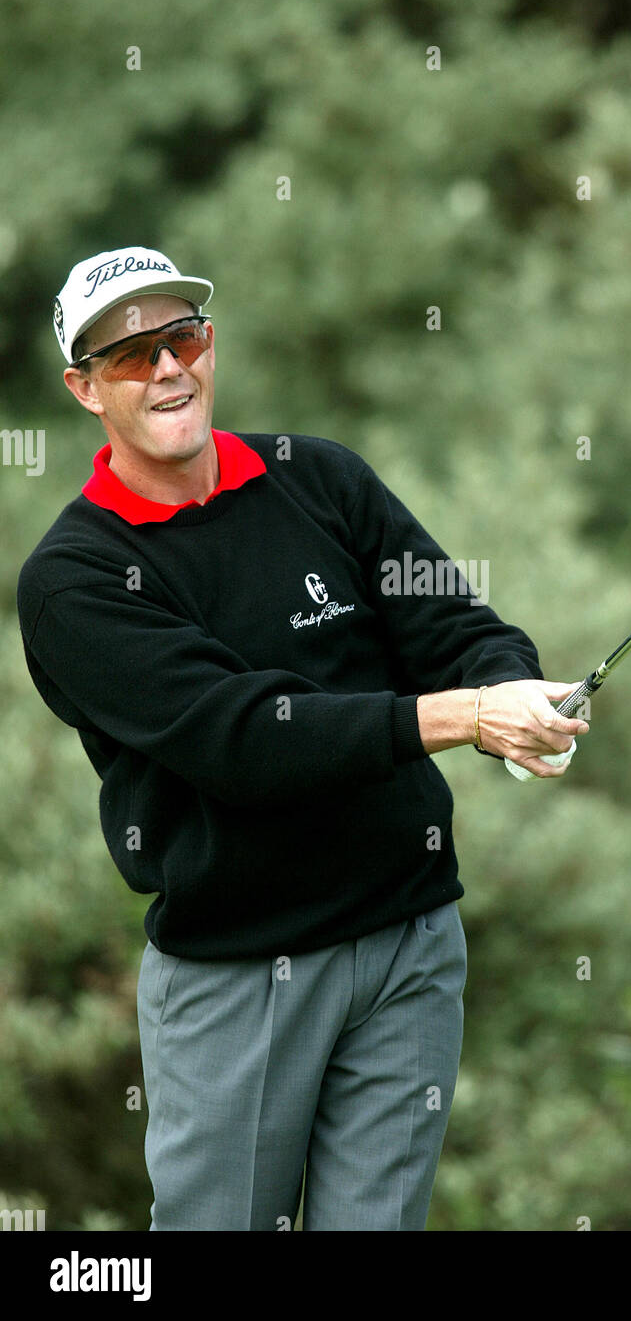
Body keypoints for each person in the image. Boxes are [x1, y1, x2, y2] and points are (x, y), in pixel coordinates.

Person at [17, 246, 587, 1232]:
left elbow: (453, 627)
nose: (166, 368)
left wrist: (514, 698)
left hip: (410, 940)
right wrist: (462, 717)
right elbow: (245, 739)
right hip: (240, 972)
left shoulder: (316, 477)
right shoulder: (75, 578)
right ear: (84, 389)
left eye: (182, 337)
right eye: (127, 354)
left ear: (209, 343)